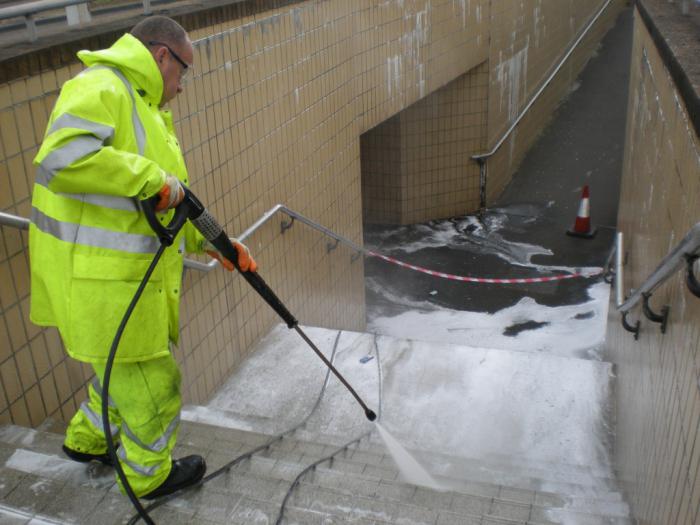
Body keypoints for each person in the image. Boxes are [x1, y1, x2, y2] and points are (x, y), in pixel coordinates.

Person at [28, 16, 256, 499]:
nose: (183, 86)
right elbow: (63, 157)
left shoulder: (145, 108)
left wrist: (220, 244)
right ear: (161, 56)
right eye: (184, 72)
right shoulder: (101, 87)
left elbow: (170, 204)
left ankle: (87, 440)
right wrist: (150, 179)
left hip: (118, 279)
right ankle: (150, 475)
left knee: (121, 372)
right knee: (154, 382)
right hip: (103, 281)